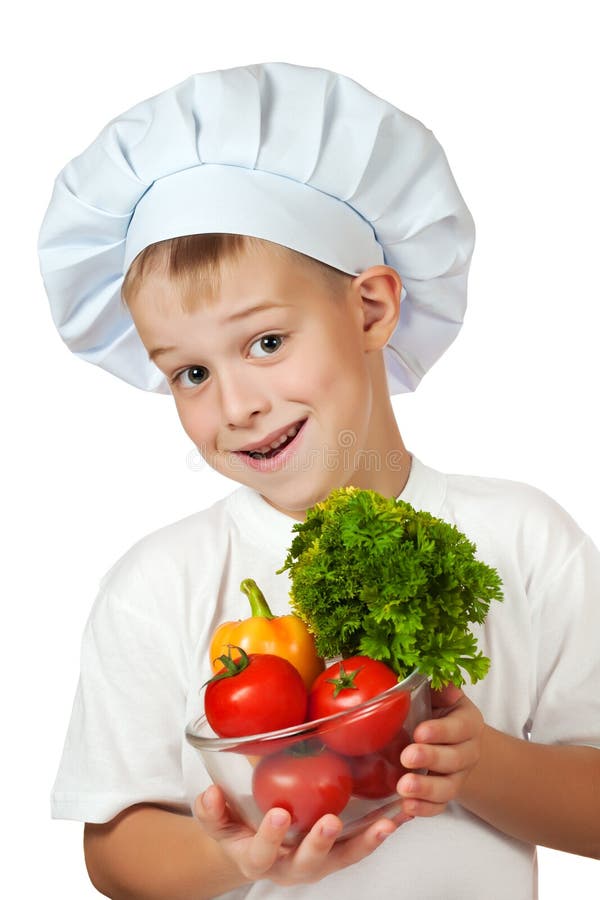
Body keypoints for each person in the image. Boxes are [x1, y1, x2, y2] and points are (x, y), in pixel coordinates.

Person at [38, 62, 600, 900]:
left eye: (265, 342)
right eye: (189, 373)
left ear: (371, 309)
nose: (236, 405)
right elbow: (114, 849)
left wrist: (479, 764)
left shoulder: (524, 538)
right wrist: (230, 854)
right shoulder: (159, 585)